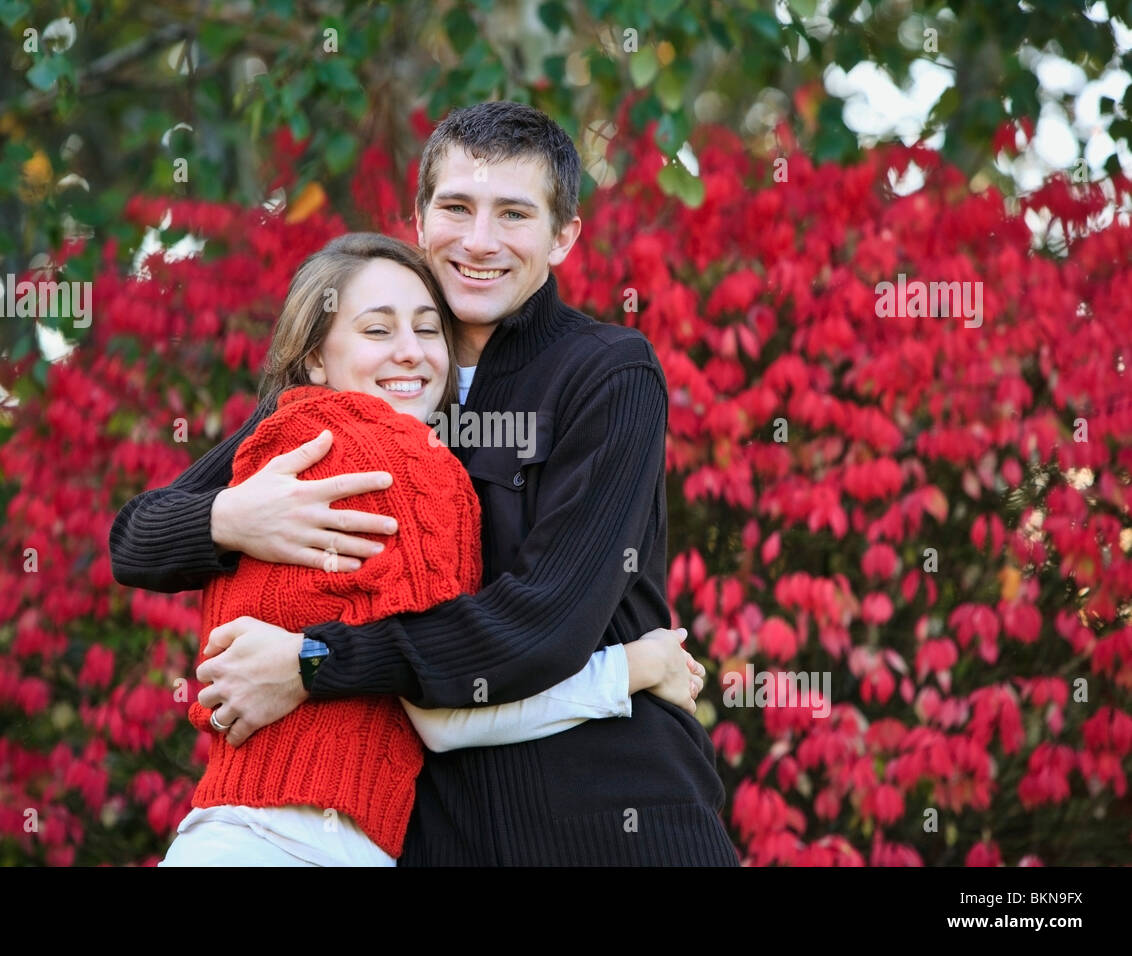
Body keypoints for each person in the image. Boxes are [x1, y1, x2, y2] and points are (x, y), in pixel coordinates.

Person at [112, 101, 740, 866]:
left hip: (611, 819)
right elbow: (136, 540)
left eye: (513, 213)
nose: (479, 242)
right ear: (418, 218)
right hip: (436, 838)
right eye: (457, 208)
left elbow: (541, 627)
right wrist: (236, 517)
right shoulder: (370, 376)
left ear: (564, 235)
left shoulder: (606, 373)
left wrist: (313, 665)